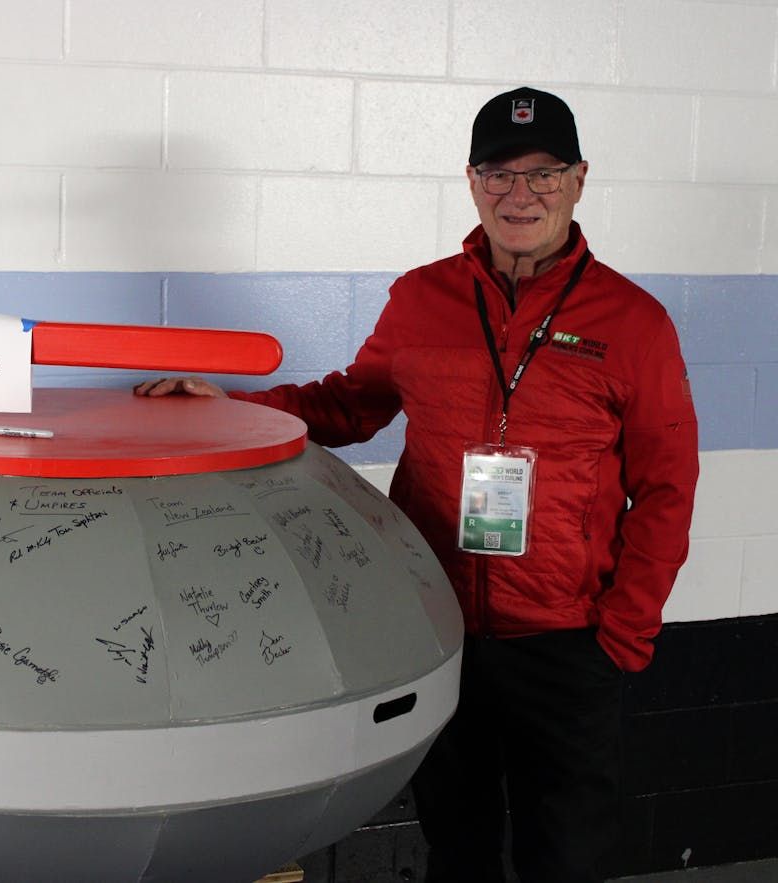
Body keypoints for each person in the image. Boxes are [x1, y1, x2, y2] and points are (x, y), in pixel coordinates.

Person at [134, 86, 699, 883]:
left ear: (579, 180)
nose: (520, 194)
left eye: (544, 174)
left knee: (567, 857)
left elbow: (668, 487)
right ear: (471, 182)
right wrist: (231, 405)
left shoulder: (634, 323)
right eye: (499, 173)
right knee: (456, 844)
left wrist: (621, 635)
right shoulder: (423, 297)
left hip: (569, 643)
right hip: (440, 630)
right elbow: (347, 403)